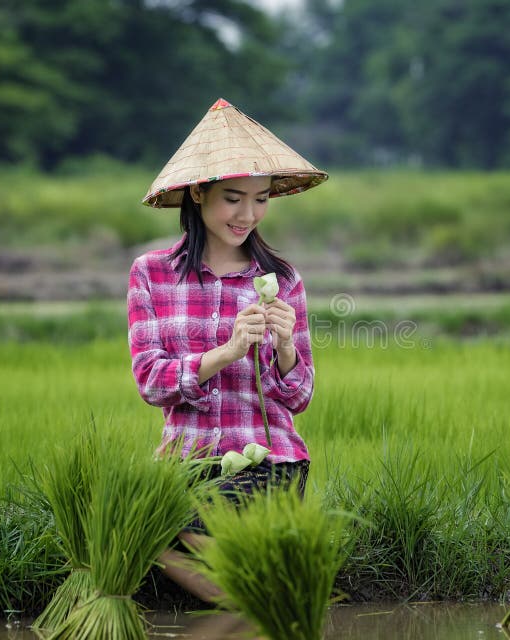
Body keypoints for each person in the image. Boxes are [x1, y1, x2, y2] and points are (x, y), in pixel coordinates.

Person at [127, 98, 328, 602]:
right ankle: (251, 602)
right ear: (198, 192)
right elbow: (151, 381)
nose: (249, 214)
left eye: (261, 199)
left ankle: (242, 602)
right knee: (128, 521)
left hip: (267, 463)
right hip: (188, 462)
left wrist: (284, 346)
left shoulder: (282, 281)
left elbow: (299, 395)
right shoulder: (151, 274)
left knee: (182, 529)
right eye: (233, 198)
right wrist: (229, 350)